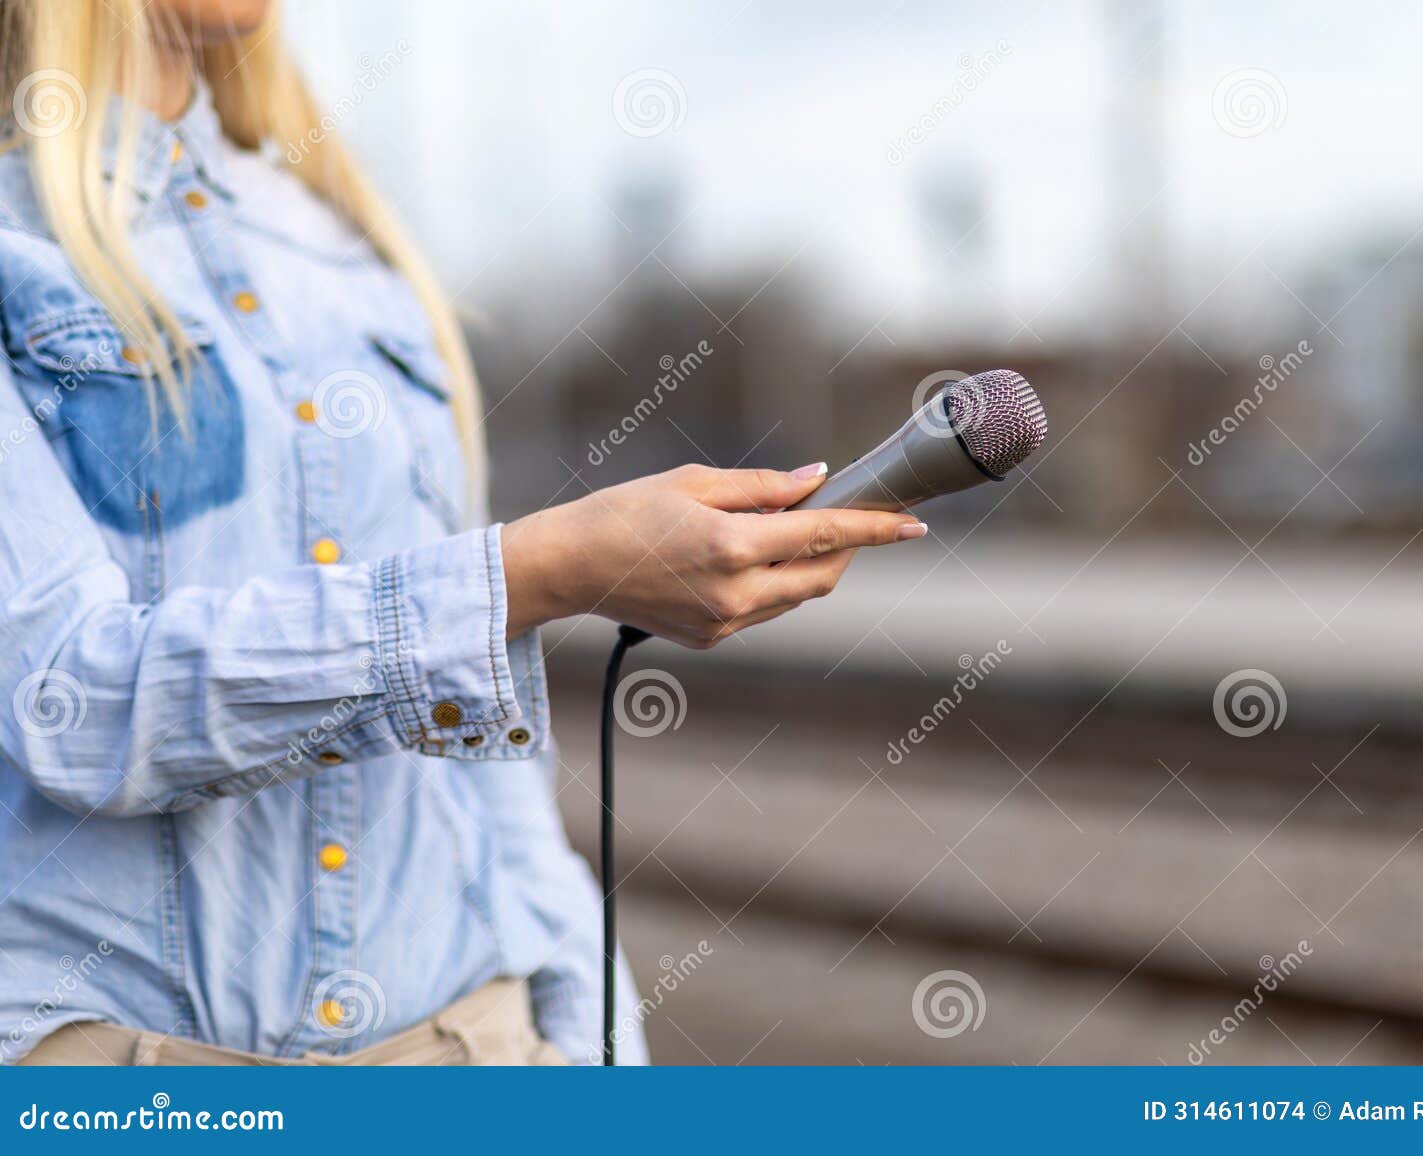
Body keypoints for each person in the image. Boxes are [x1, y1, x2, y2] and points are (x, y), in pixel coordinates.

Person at [0, 0, 925, 1066]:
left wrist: (591, 1035)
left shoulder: (346, 245)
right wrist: (539, 570)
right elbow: (71, 701)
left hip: (470, 1042)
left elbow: (481, 772)